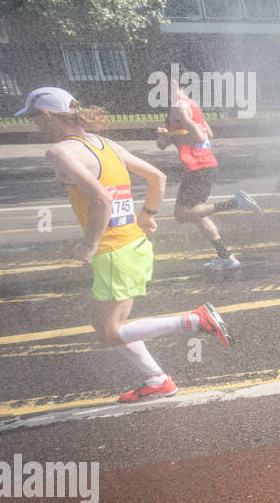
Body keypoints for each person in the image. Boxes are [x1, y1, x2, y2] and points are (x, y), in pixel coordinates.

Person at [16, 87, 232, 402]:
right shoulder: (105, 144)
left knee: (108, 333)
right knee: (114, 328)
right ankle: (157, 379)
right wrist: (147, 216)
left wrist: (88, 245)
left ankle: (196, 320)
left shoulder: (60, 151)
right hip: (133, 247)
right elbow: (157, 177)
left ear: (47, 115)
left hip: (113, 252)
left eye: (35, 118)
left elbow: (101, 198)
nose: (34, 125)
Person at [155, 70, 262, 269]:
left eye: (161, 83)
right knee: (197, 215)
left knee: (182, 214)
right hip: (204, 164)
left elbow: (200, 137)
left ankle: (234, 203)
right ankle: (225, 257)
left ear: (173, 83)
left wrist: (170, 137)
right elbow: (208, 133)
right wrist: (168, 136)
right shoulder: (192, 104)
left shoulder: (179, 106)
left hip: (198, 166)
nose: (158, 88)